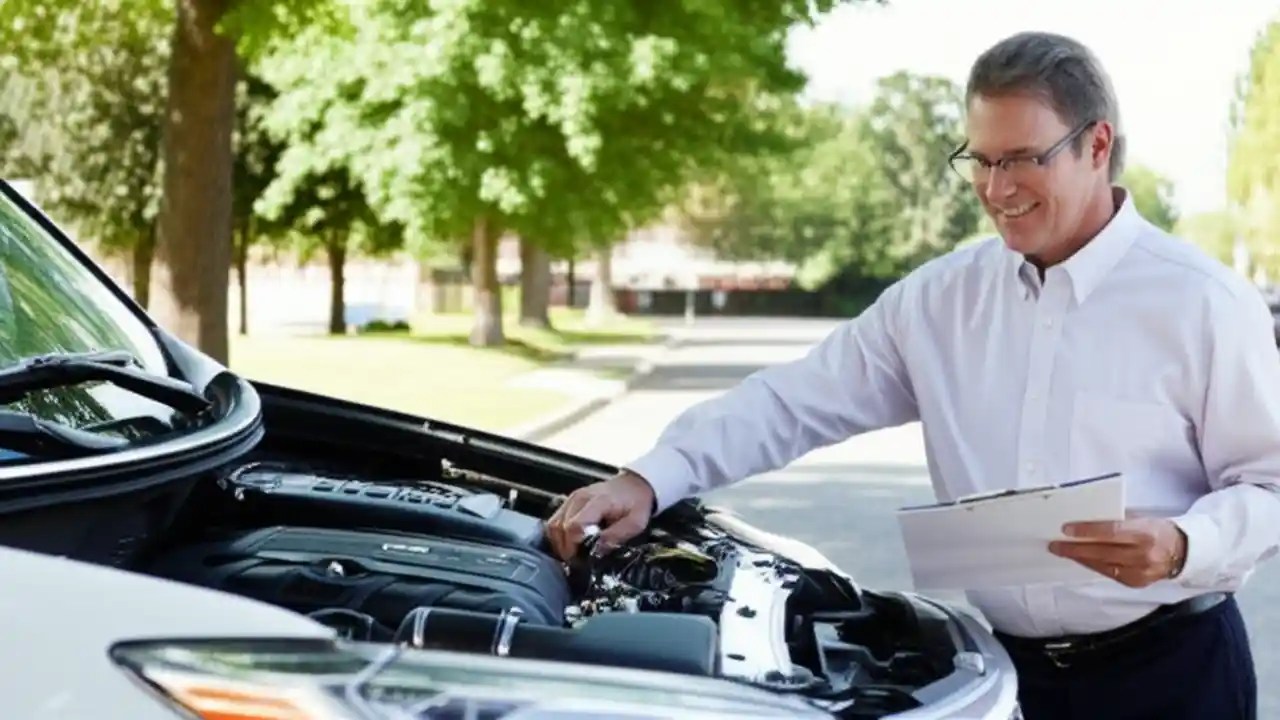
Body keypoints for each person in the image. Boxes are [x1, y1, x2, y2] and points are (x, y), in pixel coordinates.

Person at [545, 30, 1278, 720]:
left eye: (1021, 158)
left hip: (1175, 679)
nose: (995, 189)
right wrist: (649, 479)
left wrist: (1186, 543)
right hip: (1003, 679)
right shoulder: (938, 301)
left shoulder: (1203, 303)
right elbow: (793, 401)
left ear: (1097, 145)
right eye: (980, 160)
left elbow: (1271, 484)